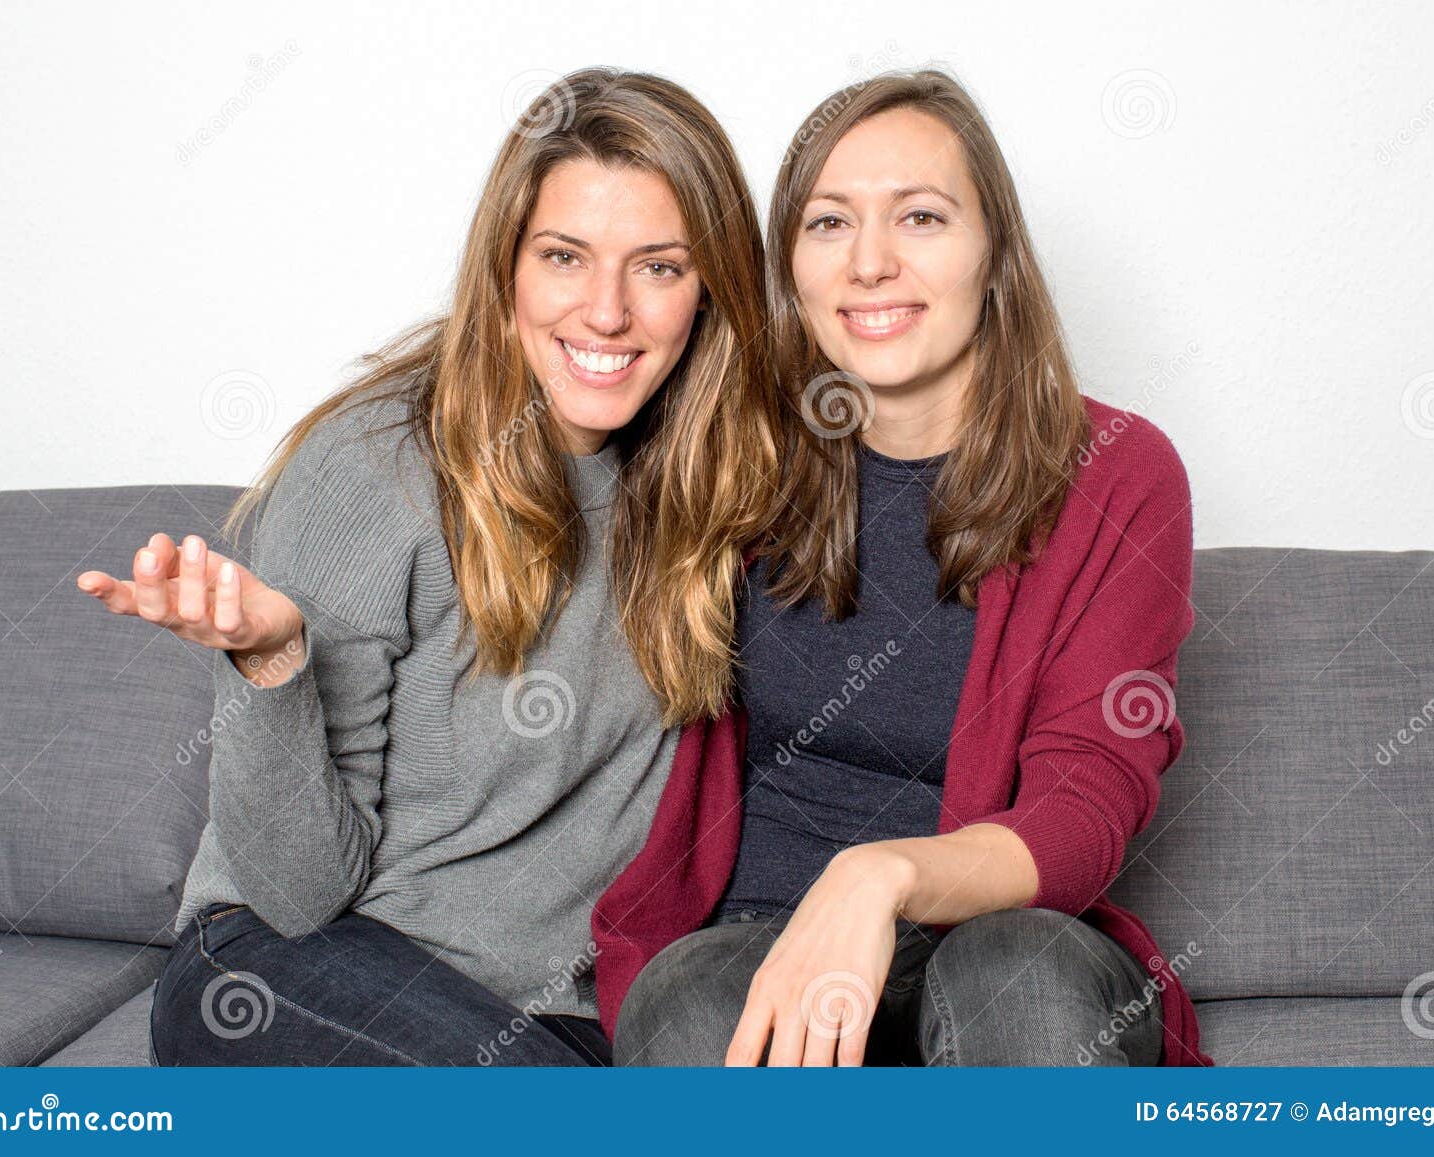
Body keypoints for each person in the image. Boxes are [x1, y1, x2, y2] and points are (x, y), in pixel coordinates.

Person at [76, 67, 776, 1066]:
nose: (607, 310)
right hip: (284, 965)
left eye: (659, 266)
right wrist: (274, 665)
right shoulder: (376, 465)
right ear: (507, 267)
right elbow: (296, 895)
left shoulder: (710, 484)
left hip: (557, 1020)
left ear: (709, 287)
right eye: (564, 257)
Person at [607, 69, 1212, 1067]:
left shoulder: (1117, 474)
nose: (871, 263)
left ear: (995, 255)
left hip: (996, 942)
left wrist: (878, 875)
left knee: (1018, 976)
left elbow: (1087, 804)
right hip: (752, 941)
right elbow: (545, 363)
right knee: (688, 1003)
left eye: (921, 217)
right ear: (789, 265)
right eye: (830, 223)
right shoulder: (726, 452)